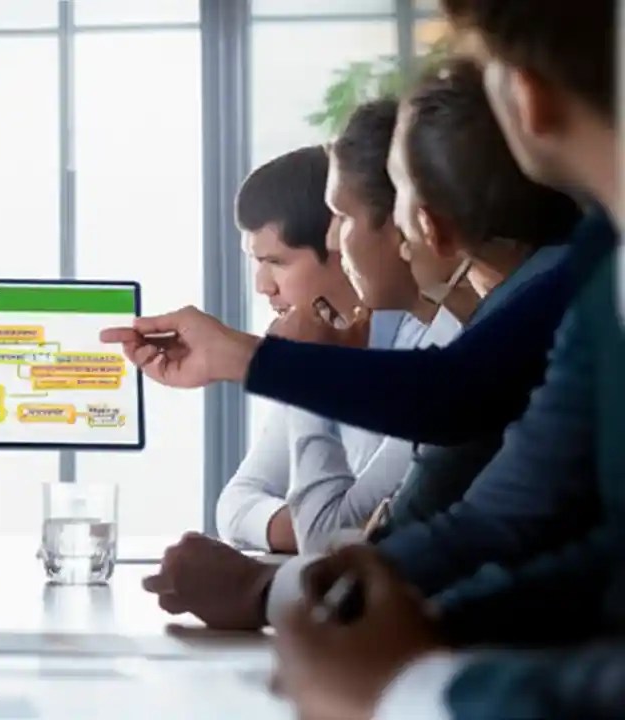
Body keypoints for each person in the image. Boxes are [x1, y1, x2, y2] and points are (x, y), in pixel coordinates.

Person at [108, 56, 593, 633]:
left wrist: (269, 588)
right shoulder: (541, 290)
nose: (336, 239)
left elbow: (449, 407)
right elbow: (473, 516)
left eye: (343, 216)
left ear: (426, 222)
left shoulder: (568, 288)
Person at [275, 1, 625, 717]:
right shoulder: (600, 269)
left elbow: (450, 408)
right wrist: (386, 625)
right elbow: (592, 554)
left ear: (523, 95)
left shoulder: (567, 283)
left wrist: (408, 686)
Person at [215, 144, 425, 555]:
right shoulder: (324, 340)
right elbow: (237, 504)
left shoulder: (425, 346)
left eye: (277, 262)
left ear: (340, 251)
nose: (262, 285)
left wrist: (300, 372)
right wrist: (315, 520)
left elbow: (332, 535)